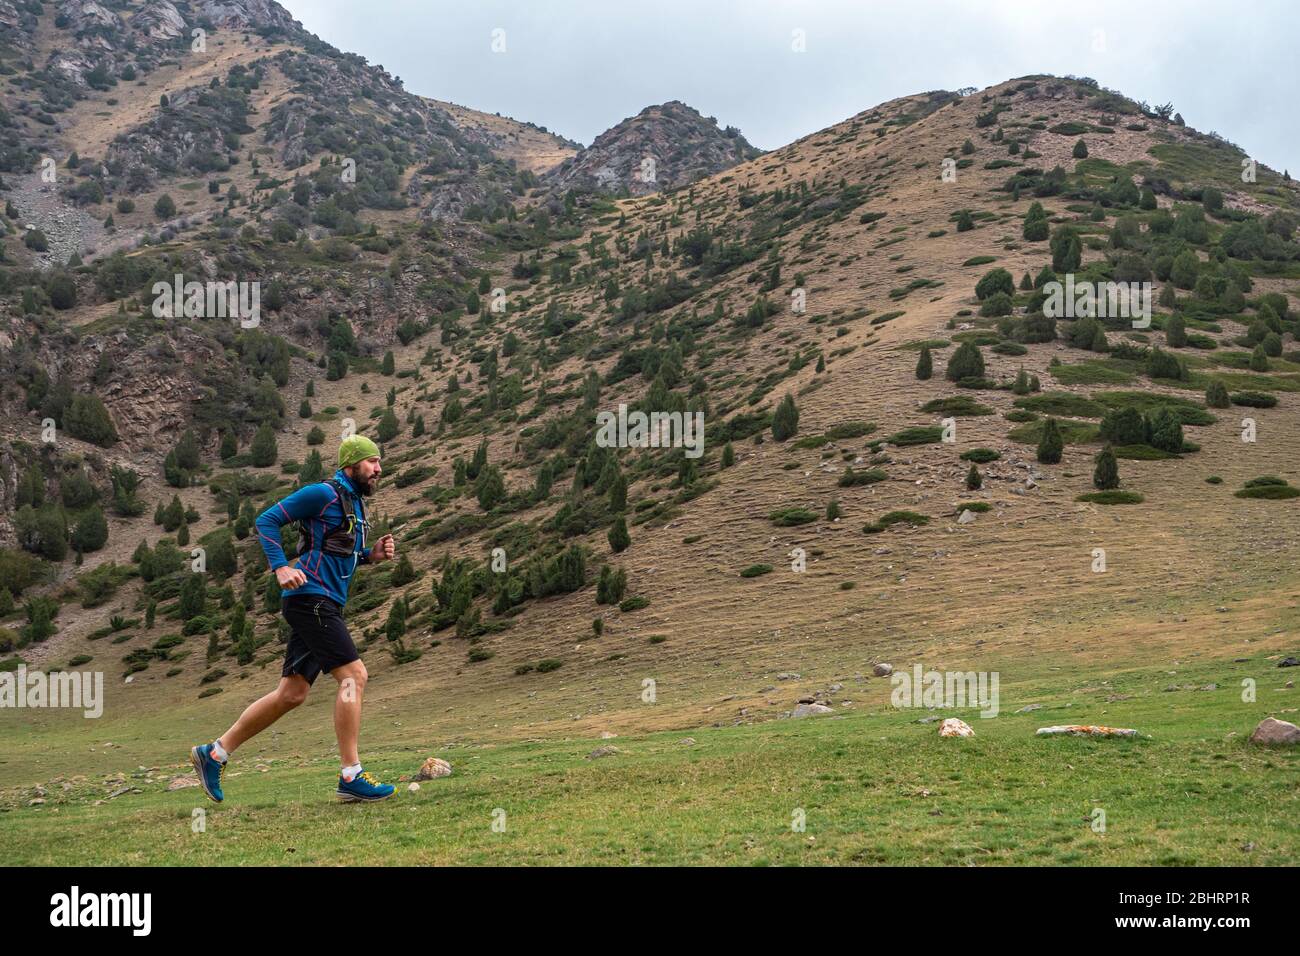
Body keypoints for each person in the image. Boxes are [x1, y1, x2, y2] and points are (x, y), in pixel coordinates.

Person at [190, 435, 398, 803]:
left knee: (292, 693)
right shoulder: (323, 493)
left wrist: (369, 556)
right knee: (354, 676)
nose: (378, 469)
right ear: (351, 465)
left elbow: (335, 552)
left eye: (379, 462)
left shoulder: (354, 504)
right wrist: (280, 567)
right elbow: (266, 520)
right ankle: (351, 775)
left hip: (324, 601)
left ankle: (215, 754)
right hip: (310, 599)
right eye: (371, 462)